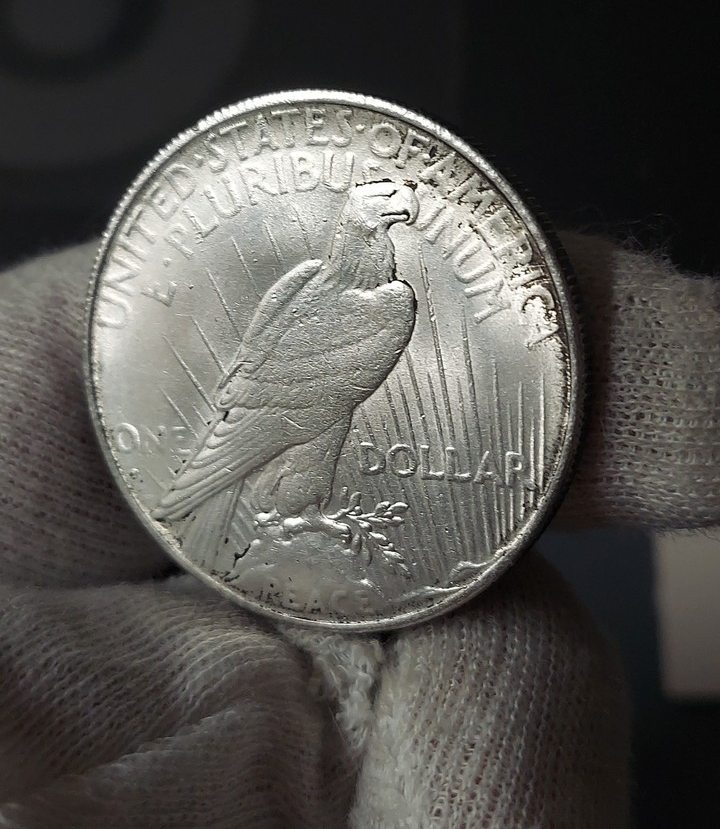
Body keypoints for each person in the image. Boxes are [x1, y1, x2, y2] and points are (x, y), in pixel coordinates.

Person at [0, 231, 717, 828]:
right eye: (376, 221)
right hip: (274, 448)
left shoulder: (352, 294)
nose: (391, 223)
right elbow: (285, 406)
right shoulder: (359, 300)